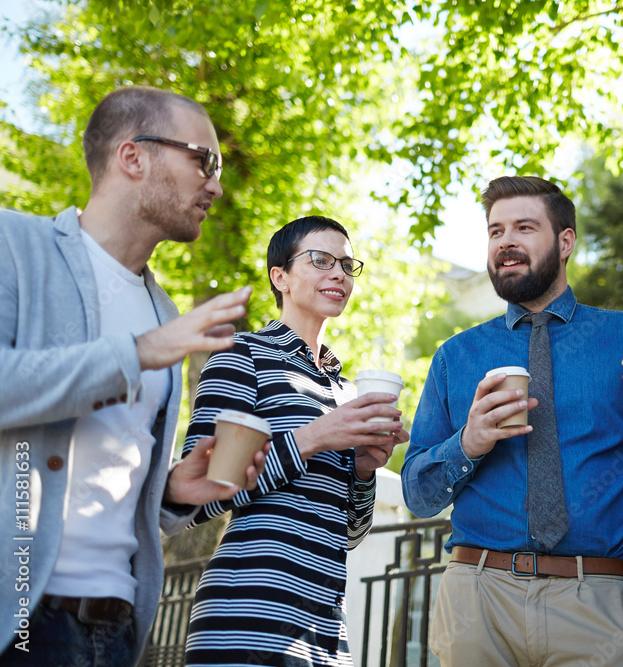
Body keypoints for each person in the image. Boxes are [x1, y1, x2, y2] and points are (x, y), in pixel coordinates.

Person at [0, 86, 266, 666]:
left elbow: (112, 473)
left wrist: (170, 492)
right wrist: (141, 351)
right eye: (204, 160)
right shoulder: (13, 244)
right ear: (133, 156)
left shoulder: (165, 311)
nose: (216, 185)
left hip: (119, 628)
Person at [402, 175, 623, 666]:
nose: (506, 242)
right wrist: (468, 444)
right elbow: (417, 494)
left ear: (565, 241)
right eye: (495, 231)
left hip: (602, 607)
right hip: (477, 605)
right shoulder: (456, 356)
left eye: (523, 227)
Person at [176, 216, 408, 667]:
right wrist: (313, 438)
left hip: (326, 626)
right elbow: (195, 494)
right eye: (320, 260)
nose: (338, 273)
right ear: (279, 276)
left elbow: (351, 533)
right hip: (247, 615)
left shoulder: (346, 392)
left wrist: (362, 470)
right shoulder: (241, 355)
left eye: (346, 264)